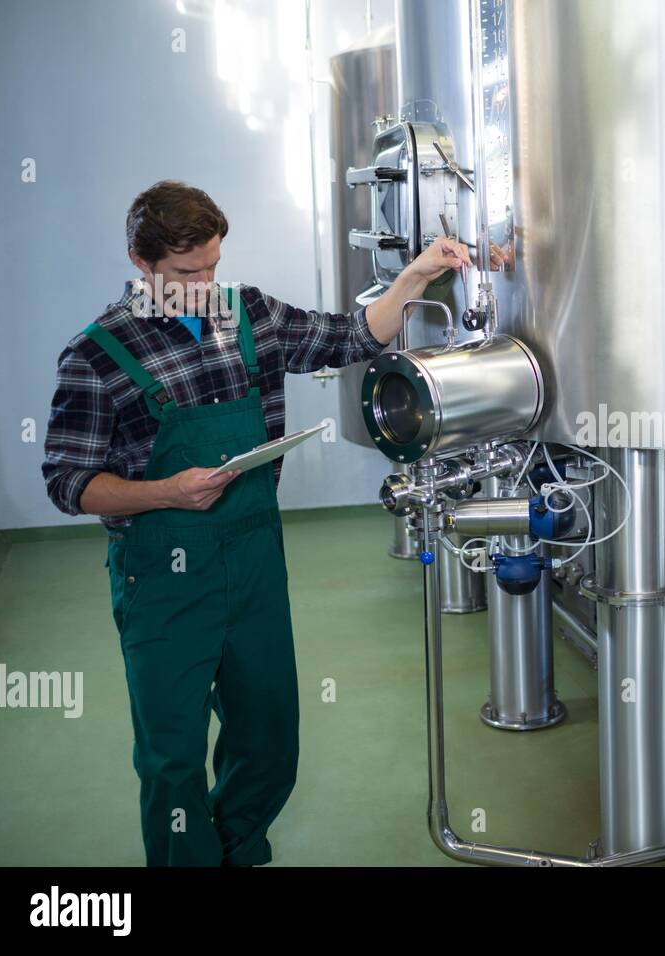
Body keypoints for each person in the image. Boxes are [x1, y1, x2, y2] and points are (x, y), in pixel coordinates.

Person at [41, 180, 469, 866]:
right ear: (139, 262)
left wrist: (417, 273)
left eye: (212, 265)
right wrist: (164, 494)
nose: (204, 283)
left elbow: (350, 336)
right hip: (164, 576)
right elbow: (70, 483)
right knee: (171, 755)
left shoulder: (251, 315)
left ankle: (238, 847)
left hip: (254, 562)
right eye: (186, 273)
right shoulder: (95, 356)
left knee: (268, 735)